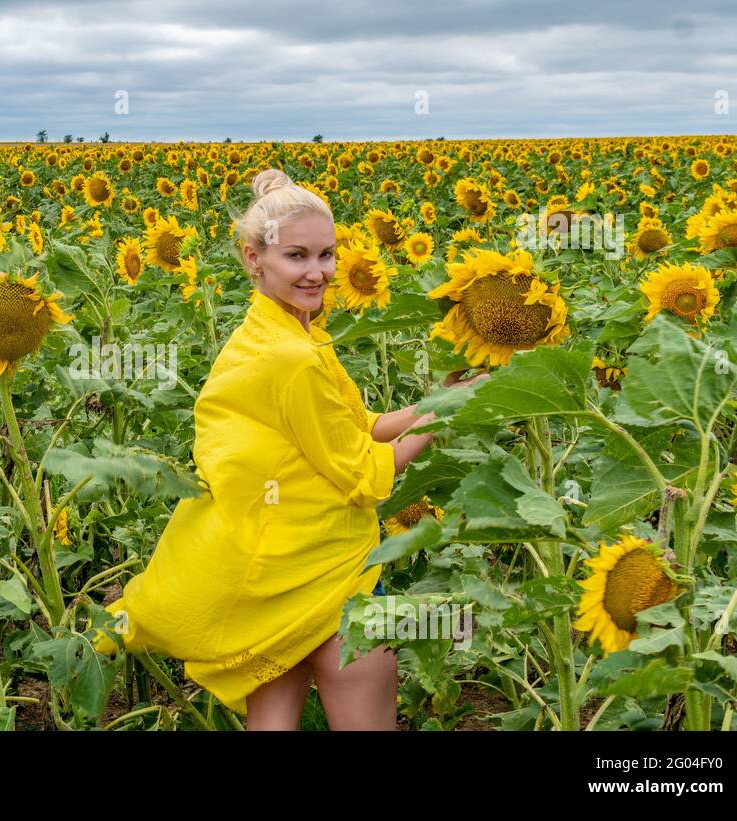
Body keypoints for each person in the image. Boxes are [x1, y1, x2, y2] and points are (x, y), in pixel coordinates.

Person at [91, 168, 487, 730]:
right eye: (297, 256)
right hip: (317, 575)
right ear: (255, 259)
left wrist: (436, 402)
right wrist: (448, 417)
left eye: (326, 255)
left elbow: (356, 427)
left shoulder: (273, 334)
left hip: (271, 586)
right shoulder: (293, 358)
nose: (319, 272)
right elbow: (364, 471)